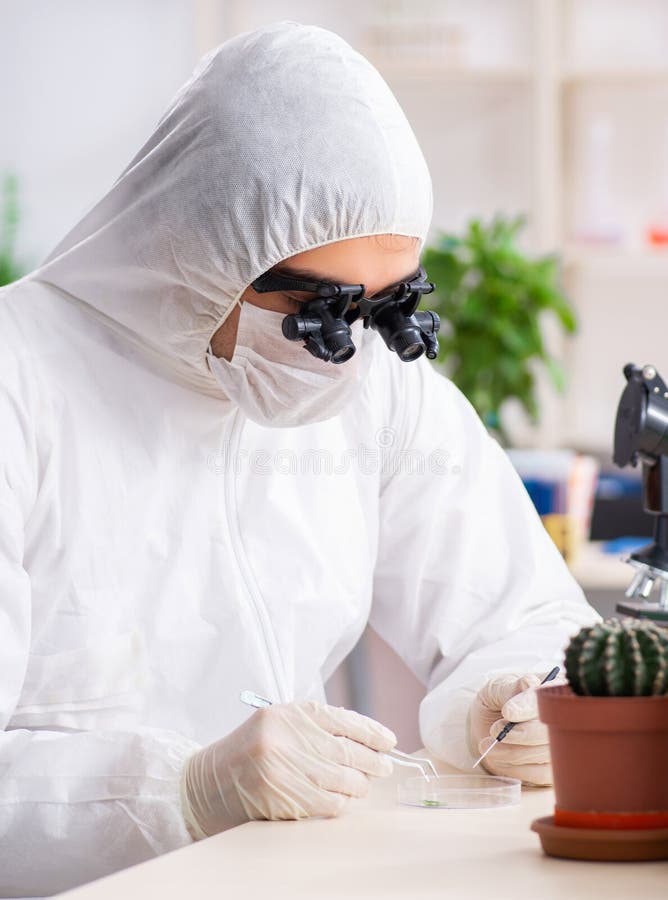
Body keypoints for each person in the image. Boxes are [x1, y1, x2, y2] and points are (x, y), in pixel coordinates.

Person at [0, 21, 599, 896]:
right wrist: (182, 792)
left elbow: (518, 613)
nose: (352, 354)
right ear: (194, 252)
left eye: (384, 308)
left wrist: (505, 701)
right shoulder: (20, 381)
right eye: (321, 313)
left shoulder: (381, 392)